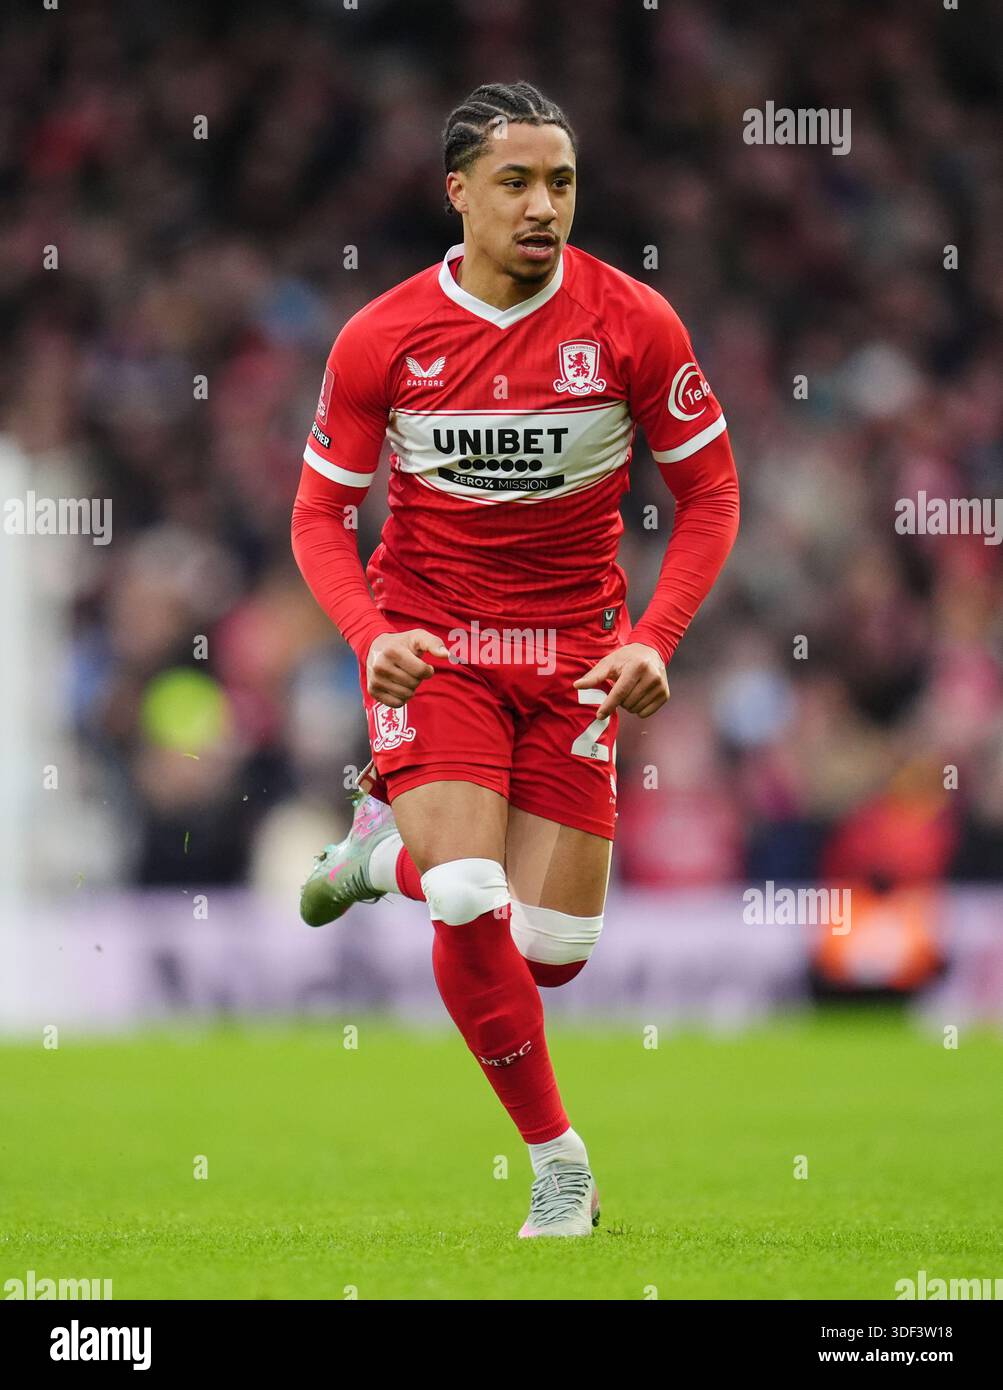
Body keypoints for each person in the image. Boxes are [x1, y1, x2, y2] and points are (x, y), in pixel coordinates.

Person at [290, 81, 739, 1237]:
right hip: (437, 642)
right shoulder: (380, 338)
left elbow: (710, 494)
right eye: (515, 183)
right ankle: (560, 1166)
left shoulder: (635, 323)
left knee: (549, 953)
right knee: (467, 891)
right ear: (458, 195)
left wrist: (653, 640)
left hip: (578, 656)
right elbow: (314, 518)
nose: (544, 207)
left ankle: (377, 850)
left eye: (562, 183)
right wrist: (372, 634)